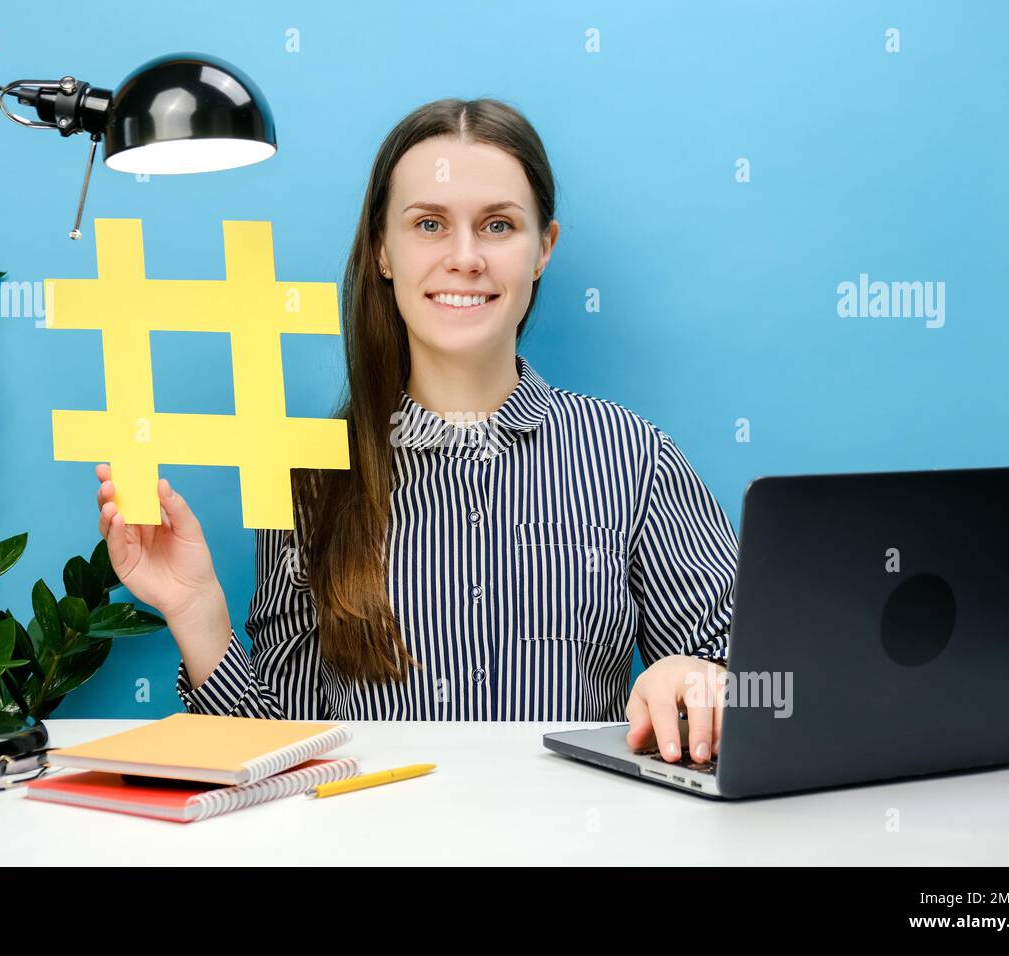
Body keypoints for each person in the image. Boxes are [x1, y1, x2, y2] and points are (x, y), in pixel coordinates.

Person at [94, 98, 738, 766]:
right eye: (429, 224)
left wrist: (703, 677)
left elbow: (768, 681)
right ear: (382, 249)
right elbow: (280, 761)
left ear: (542, 248)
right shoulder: (311, 479)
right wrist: (198, 611)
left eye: (497, 226)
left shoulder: (631, 457)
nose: (465, 257)